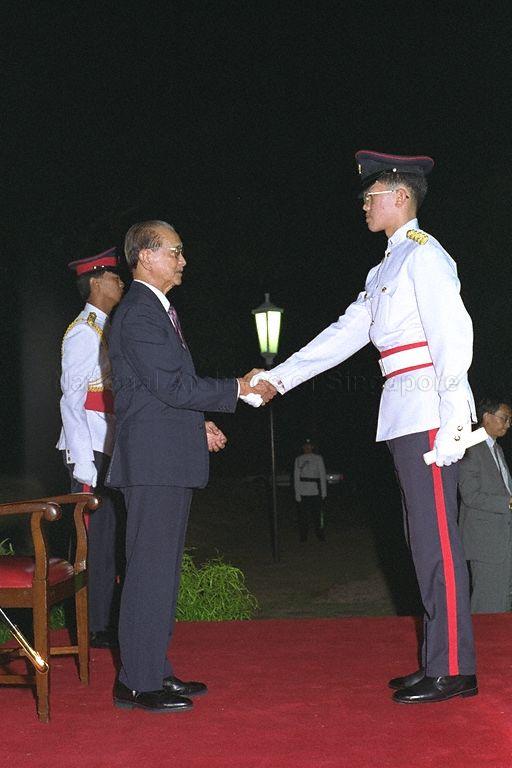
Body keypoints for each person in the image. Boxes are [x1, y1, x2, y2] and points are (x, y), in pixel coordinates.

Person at [252, 150, 478, 703]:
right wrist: (277, 379)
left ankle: (452, 666)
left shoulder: (424, 256)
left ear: (400, 197)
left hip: (429, 411)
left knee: (437, 544)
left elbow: (454, 333)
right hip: (403, 410)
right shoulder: (385, 267)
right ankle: (439, 660)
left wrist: (454, 413)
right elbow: (341, 336)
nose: (363, 205)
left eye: (370, 196)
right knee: (420, 541)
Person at [105, 219, 271, 713]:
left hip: (166, 452)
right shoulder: (138, 312)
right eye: (175, 251)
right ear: (146, 256)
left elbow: (157, 388)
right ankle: (136, 682)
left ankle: (153, 669)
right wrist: (239, 389)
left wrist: (195, 426)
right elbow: (171, 387)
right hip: (154, 461)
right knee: (148, 571)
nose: (183, 260)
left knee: (160, 571)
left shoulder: (158, 311)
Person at [57, 248, 126, 649]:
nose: (120, 283)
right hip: (90, 453)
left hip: (108, 447)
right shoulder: (83, 331)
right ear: (96, 282)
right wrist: (83, 465)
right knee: (91, 543)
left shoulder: (106, 328)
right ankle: (91, 624)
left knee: (110, 538)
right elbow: (72, 398)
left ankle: (104, 621)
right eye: (114, 277)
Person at [459, 398, 512, 613]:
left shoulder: (496, 449)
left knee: (503, 597)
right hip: (485, 542)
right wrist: (508, 502)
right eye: (504, 418)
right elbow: (470, 495)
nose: (508, 424)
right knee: (487, 601)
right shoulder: (470, 448)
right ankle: (479, 644)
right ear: (486, 417)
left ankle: (498, 645)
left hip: (502, 539)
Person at [293, 439, 327, 541]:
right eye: (305, 446)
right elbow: (296, 476)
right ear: (303, 447)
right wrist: (297, 493)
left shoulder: (318, 458)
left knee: (318, 516)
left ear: (312, 447)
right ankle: (303, 536)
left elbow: (322, 475)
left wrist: (324, 492)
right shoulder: (299, 459)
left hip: (315, 492)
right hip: (303, 492)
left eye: (309, 446)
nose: (307, 448)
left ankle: (320, 534)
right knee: (303, 517)